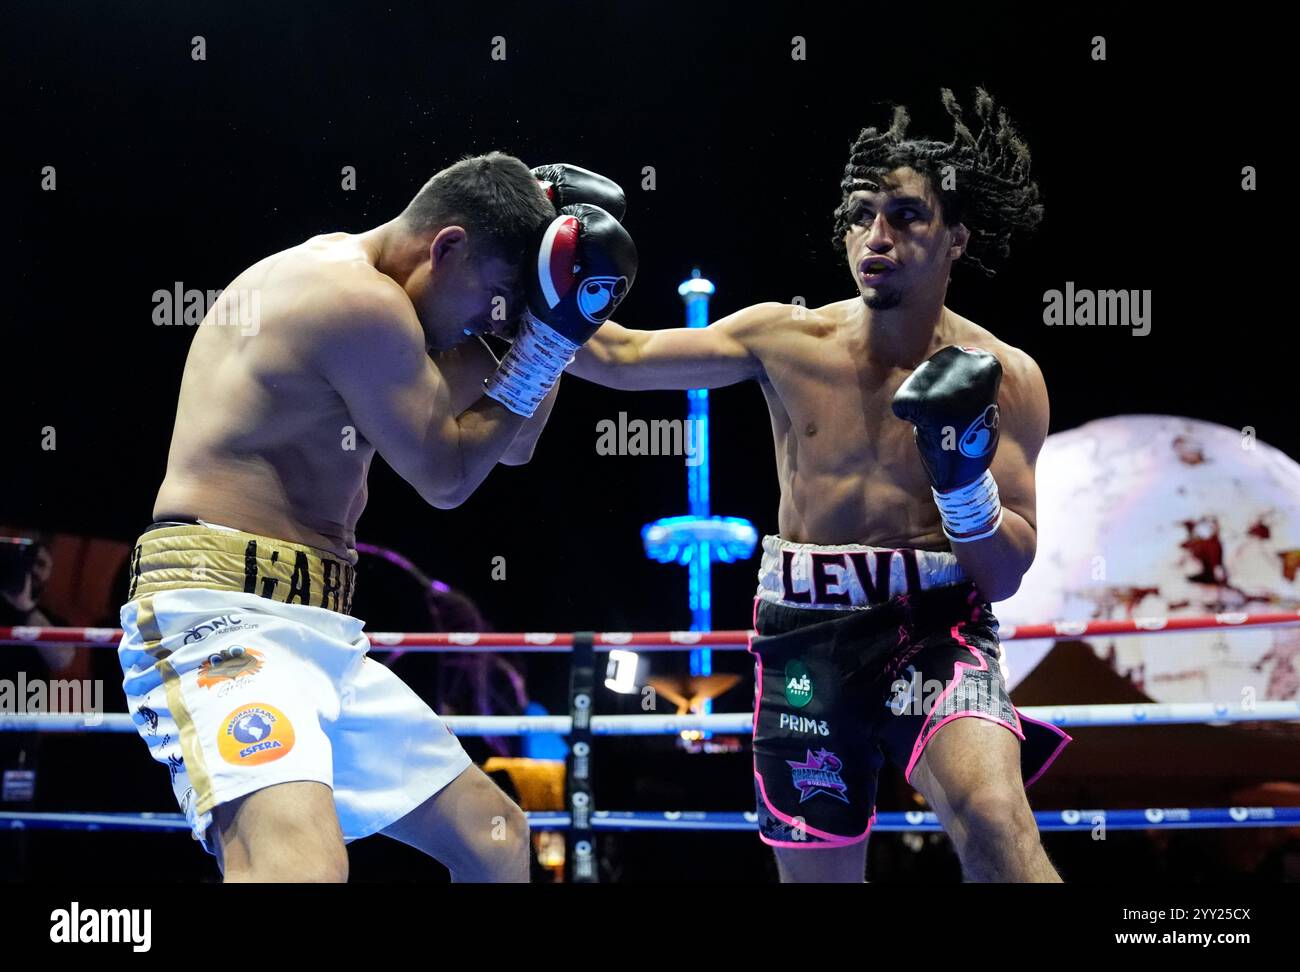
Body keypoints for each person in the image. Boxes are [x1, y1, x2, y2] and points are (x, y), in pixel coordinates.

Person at [569, 90, 1070, 882]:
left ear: (957, 238)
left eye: (906, 216)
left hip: (936, 627)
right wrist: (530, 273)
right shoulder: (786, 337)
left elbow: (1004, 574)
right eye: (862, 215)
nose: (876, 236)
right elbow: (619, 358)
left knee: (1001, 830)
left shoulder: (1008, 378)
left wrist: (960, 479)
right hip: (804, 631)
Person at [117, 154, 635, 882]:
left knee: (496, 843)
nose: (483, 324)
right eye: (492, 296)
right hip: (219, 620)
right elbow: (449, 477)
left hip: (319, 633)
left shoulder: (407, 314)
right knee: (300, 868)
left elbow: (514, 442)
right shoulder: (353, 299)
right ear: (446, 245)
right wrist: (544, 343)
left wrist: (543, 325)